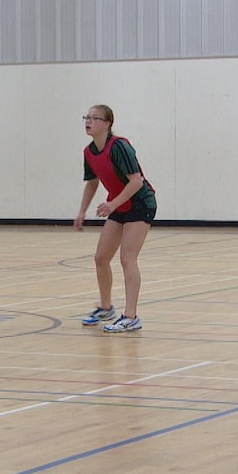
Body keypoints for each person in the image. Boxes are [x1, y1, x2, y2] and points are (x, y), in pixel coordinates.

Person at [73, 104, 157, 333]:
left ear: (107, 123)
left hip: (140, 203)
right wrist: (82, 211)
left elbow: (136, 181)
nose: (88, 121)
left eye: (94, 118)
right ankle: (106, 307)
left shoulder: (119, 146)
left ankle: (131, 317)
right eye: (86, 117)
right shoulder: (89, 152)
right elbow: (92, 182)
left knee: (127, 258)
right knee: (101, 257)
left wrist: (111, 204)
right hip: (119, 204)